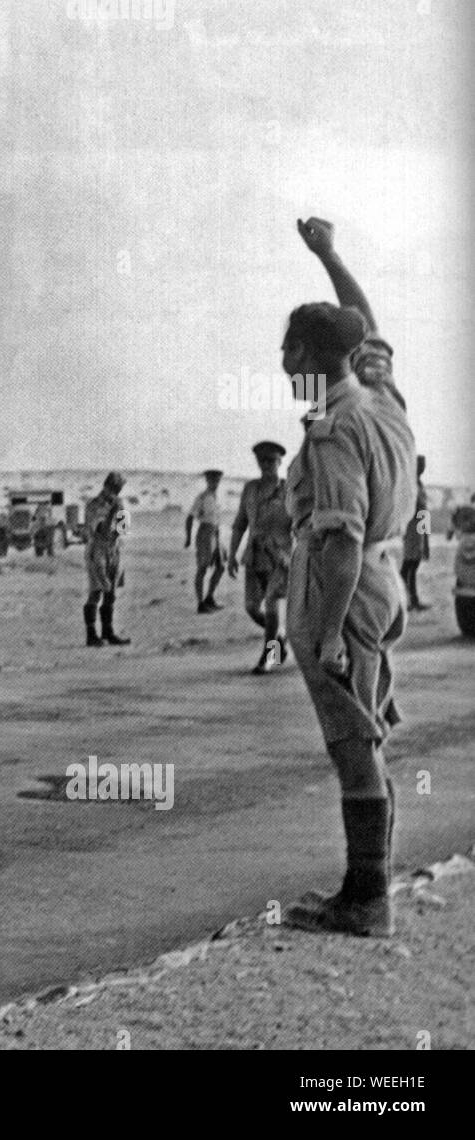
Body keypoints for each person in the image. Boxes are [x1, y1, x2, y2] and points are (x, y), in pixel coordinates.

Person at [280, 217, 417, 938]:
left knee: (353, 747)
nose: (280, 363)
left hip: (346, 589)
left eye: (286, 351)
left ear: (305, 353)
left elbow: (340, 539)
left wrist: (327, 633)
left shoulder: (334, 428)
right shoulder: (381, 400)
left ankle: (367, 903)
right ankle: (367, 891)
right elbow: (367, 329)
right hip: (383, 584)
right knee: (367, 740)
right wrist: (329, 255)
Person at [228, 442, 294, 673]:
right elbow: (239, 524)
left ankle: (270, 657)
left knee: (273, 608)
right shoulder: (250, 489)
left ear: (279, 462)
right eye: (262, 460)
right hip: (254, 556)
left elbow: (300, 523)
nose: (266, 465)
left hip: (279, 557)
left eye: (271, 460)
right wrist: (232, 554)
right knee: (252, 608)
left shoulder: (288, 490)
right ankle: (281, 637)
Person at [83, 472, 130, 646]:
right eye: (116, 488)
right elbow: (99, 530)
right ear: (108, 486)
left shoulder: (118, 503)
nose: (118, 491)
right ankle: (91, 635)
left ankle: (108, 632)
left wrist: (121, 511)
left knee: (111, 594)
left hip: (114, 549)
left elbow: (123, 529)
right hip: (98, 550)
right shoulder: (94, 505)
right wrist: (113, 512)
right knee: (96, 591)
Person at [186, 469, 226, 613]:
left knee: (221, 567)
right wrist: (188, 538)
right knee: (202, 568)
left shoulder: (217, 497)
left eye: (217, 480)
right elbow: (190, 517)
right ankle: (200, 603)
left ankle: (209, 597)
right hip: (205, 533)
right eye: (212, 480)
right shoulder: (202, 497)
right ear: (207, 481)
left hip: (216, 533)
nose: (215, 482)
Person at [399, 454, 430, 611]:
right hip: (413, 527)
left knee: (414, 564)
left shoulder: (419, 484)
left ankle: (411, 600)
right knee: (409, 565)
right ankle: (405, 599)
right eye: (420, 465)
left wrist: (425, 534)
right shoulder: (410, 485)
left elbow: (423, 510)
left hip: (420, 527)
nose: (422, 468)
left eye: (423, 465)